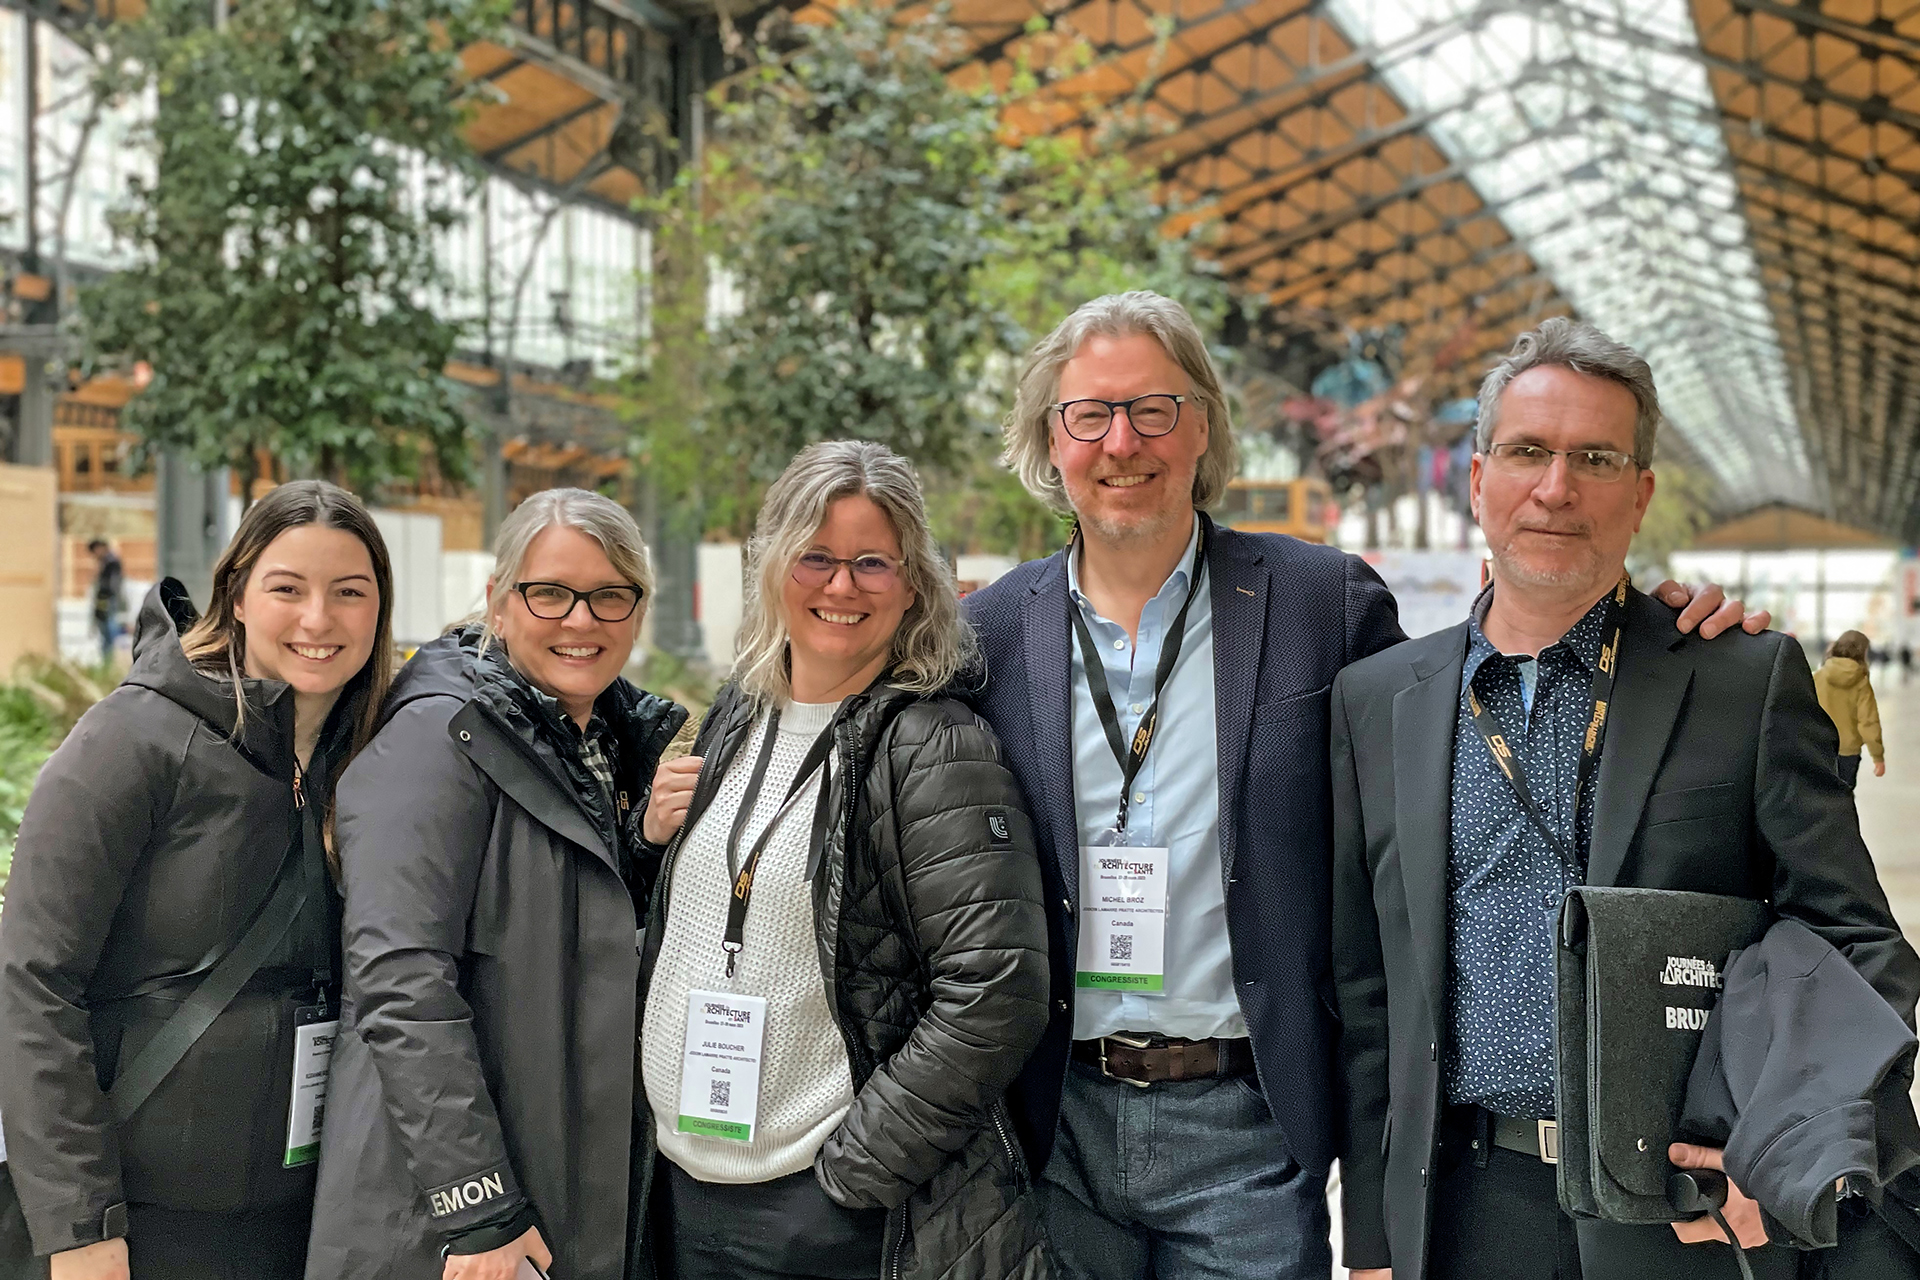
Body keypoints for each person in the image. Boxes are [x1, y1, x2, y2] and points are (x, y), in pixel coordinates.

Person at [960, 292, 1767, 1280]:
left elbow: (1448, 741)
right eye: (1091, 412)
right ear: (1053, 436)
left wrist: (1670, 632)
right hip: (1057, 1128)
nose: (1122, 441)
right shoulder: (994, 632)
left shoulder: (1319, 602)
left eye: (1154, 408)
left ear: (1203, 423)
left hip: (1251, 1131)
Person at [1328, 318, 1920, 1280]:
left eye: (1594, 458)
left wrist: (1782, 1145)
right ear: (1477, 482)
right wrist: (1374, 1240)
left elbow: (1859, 943)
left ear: (1640, 495)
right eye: (1527, 453)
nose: (1556, 489)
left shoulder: (1743, 681)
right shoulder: (1378, 703)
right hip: (1468, 1208)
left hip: (1688, 1212)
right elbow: (1364, 994)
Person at [637, 441, 1051, 1280]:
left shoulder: (934, 746)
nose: (840, 586)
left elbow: (998, 989)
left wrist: (857, 1173)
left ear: (913, 584)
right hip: (686, 1190)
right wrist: (649, 842)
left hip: (821, 1216)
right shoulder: (736, 716)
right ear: (773, 567)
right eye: (816, 557)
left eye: (871, 562)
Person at [0, 480, 394, 1280]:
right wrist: (79, 1225)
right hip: (134, 1226)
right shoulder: (135, 740)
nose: (319, 619)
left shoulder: (374, 761)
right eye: (288, 588)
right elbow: (33, 982)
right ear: (238, 594)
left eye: (349, 592)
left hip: (300, 1222)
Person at [304, 488, 686, 1280]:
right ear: (498, 603)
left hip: (549, 1185)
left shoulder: (589, 740)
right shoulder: (440, 736)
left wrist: (641, 848)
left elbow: (559, 924)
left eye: (611, 595)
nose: (581, 621)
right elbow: (399, 978)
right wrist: (476, 1207)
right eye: (549, 593)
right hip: (445, 1221)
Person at [1817, 631, 1886, 789]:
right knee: (1844, 798)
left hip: (1820, 747)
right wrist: (1878, 756)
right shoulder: (1861, 683)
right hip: (1848, 752)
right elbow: (1868, 722)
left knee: (1821, 796)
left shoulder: (1818, 677)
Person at [88, 539, 125, 662]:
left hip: (108, 599)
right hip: (104, 599)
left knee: (109, 628)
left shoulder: (111, 562)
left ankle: (109, 657)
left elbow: (111, 585)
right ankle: (106, 657)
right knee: (104, 628)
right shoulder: (107, 562)